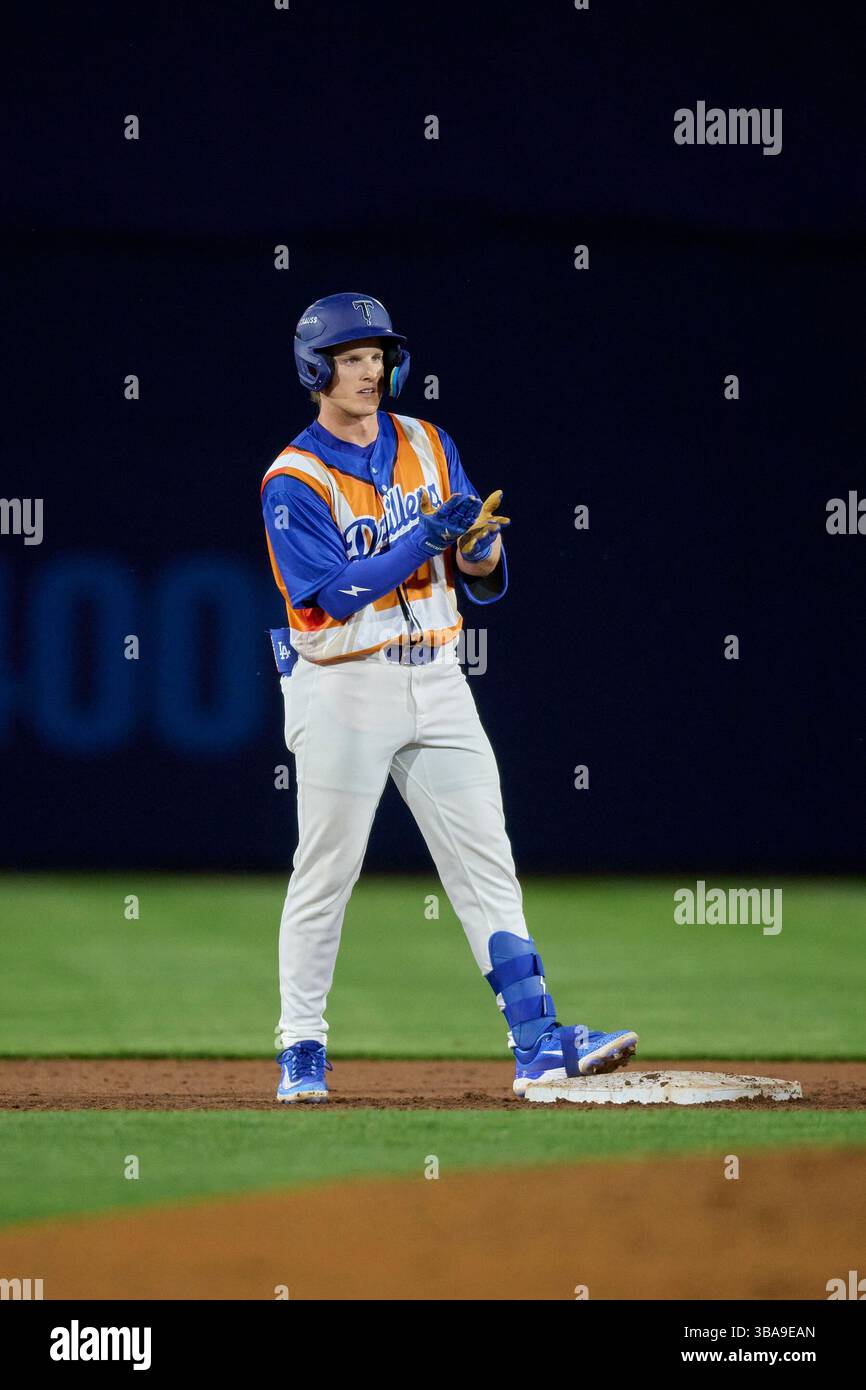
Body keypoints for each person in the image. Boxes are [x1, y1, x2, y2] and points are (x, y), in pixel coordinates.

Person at [260, 292, 638, 1102]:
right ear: (315, 368)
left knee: (487, 862)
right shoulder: (292, 479)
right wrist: (422, 538)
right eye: (353, 357)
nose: (370, 371)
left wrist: (475, 548)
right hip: (340, 685)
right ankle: (302, 1051)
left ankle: (537, 1041)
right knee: (327, 872)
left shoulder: (430, 443)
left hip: (437, 674)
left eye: (378, 356)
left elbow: (479, 573)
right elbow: (330, 596)